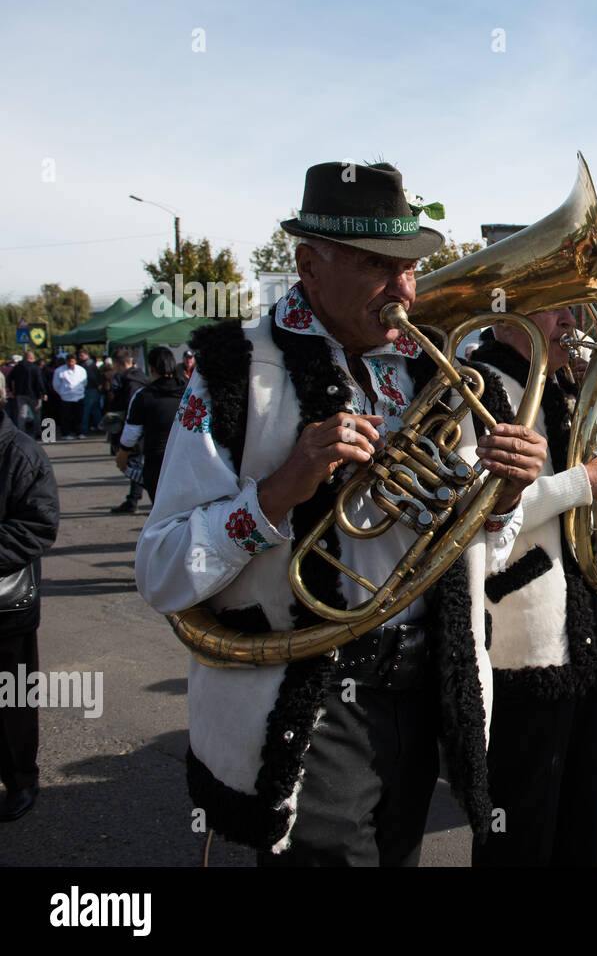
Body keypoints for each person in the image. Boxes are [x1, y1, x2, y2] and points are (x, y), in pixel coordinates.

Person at [135, 161, 549, 866]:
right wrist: (279, 492)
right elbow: (163, 569)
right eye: (376, 265)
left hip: (422, 693)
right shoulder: (234, 371)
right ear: (309, 264)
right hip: (312, 699)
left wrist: (503, 500)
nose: (405, 289)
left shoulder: (432, 370)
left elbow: (481, 550)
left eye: (413, 267)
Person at [466, 307, 597, 866]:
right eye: (558, 308)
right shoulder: (481, 386)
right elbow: (476, 510)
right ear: (509, 318)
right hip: (523, 632)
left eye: (577, 306)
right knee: (520, 819)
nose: (573, 319)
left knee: (577, 803)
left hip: (581, 621)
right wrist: (587, 483)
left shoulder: (558, 387)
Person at [0, 403, 60, 821]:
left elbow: (38, 526)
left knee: (12, 703)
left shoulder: (21, 453)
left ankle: (21, 780)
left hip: (5, 608)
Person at [115, 347, 186, 503]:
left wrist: (122, 455)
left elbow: (131, 433)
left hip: (157, 464)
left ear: (151, 367)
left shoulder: (144, 396)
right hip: (188, 460)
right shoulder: (188, 391)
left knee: (162, 513)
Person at [108, 349, 152, 514]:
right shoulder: (139, 378)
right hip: (141, 430)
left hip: (134, 430)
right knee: (134, 465)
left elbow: (131, 410)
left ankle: (136, 499)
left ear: (119, 364)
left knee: (131, 465)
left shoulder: (130, 382)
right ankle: (134, 498)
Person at [51, 352, 87, 440]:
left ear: (75, 361)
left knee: (78, 416)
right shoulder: (59, 371)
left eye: (72, 361)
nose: (71, 363)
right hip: (66, 397)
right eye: (69, 361)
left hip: (79, 396)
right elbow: (56, 384)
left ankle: (79, 432)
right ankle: (66, 433)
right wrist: (62, 393)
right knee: (66, 417)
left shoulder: (81, 370)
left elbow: (84, 382)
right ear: (66, 361)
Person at [8, 352, 43, 440]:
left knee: (21, 414)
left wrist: (12, 391)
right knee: (37, 414)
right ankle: (37, 433)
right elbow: (39, 381)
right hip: (34, 394)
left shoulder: (17, 367)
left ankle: (21, 433)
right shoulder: (35, 368)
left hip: (20, 394)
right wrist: (43, 392)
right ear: (32, 358)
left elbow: (9, 379)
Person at [77, 349, 103, 435]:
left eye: (81, 355)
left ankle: (84, 430)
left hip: (90, 388)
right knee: (95, 409)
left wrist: (97, 384)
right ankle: (100, 427)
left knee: (86, 410)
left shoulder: (86, 365)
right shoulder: (91, 363)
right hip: (94, 389)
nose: (79, 357)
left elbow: (91, 377)